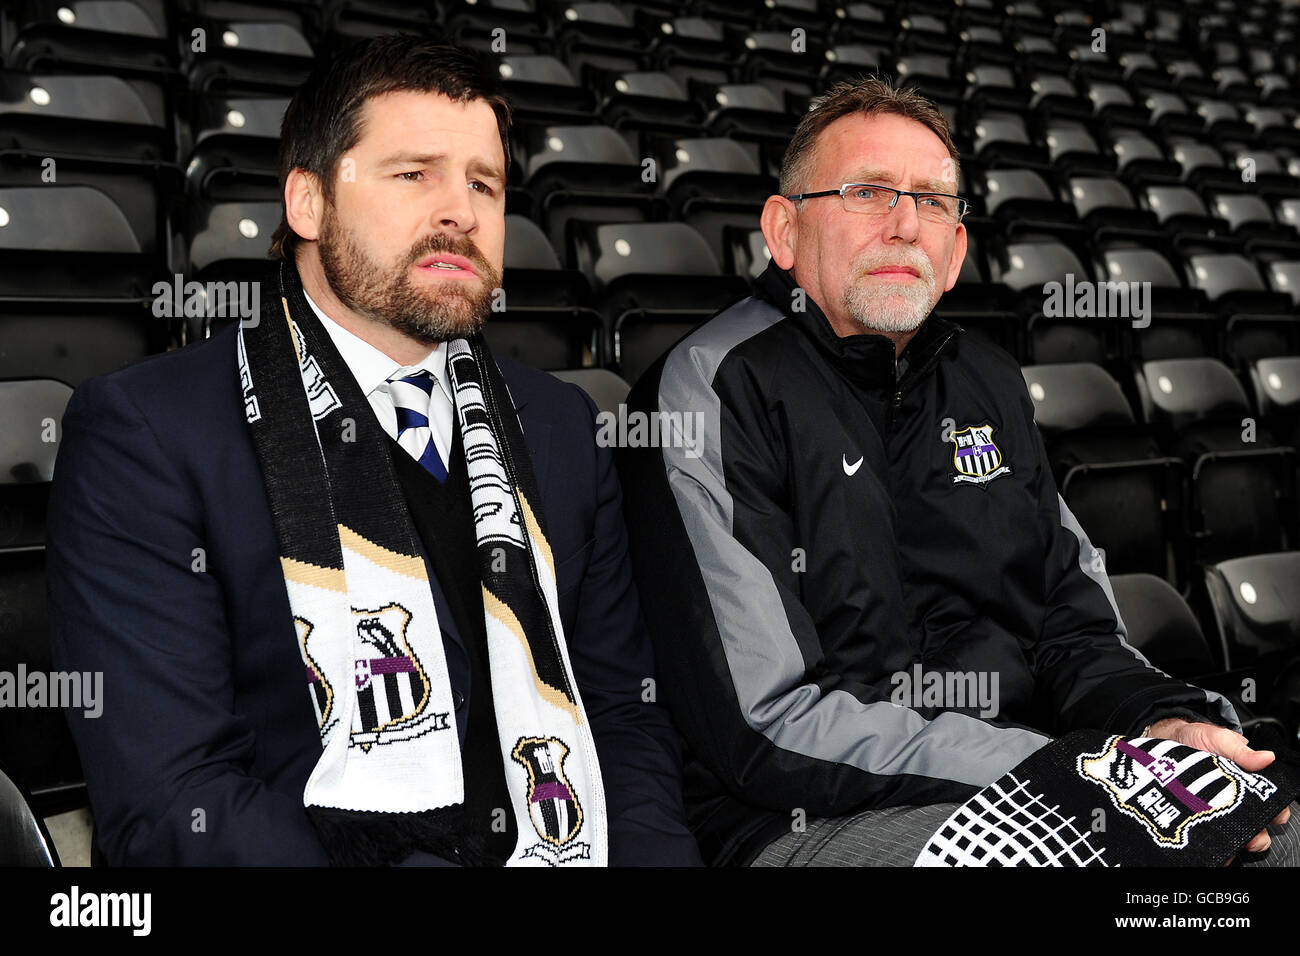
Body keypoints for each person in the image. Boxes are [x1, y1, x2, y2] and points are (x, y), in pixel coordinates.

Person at [46, 36, 700, 867]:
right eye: (413, 174)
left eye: (484, 183)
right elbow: (176, 801)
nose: (460, 210)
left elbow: (623, 720)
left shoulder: (563, 425)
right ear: (308, 204)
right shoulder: (147, 433)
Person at [614, 77, 1296, 867]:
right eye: (869, 192)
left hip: (1045, 770)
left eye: (934, 202)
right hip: (806, 813)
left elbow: (1072, 631)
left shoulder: (991, 381)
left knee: (1273, 843)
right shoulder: (710, 386)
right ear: (784, 229)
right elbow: (766, 721)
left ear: (956, 253)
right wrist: (1062, 772)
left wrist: (1159, 725)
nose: (907, 224)